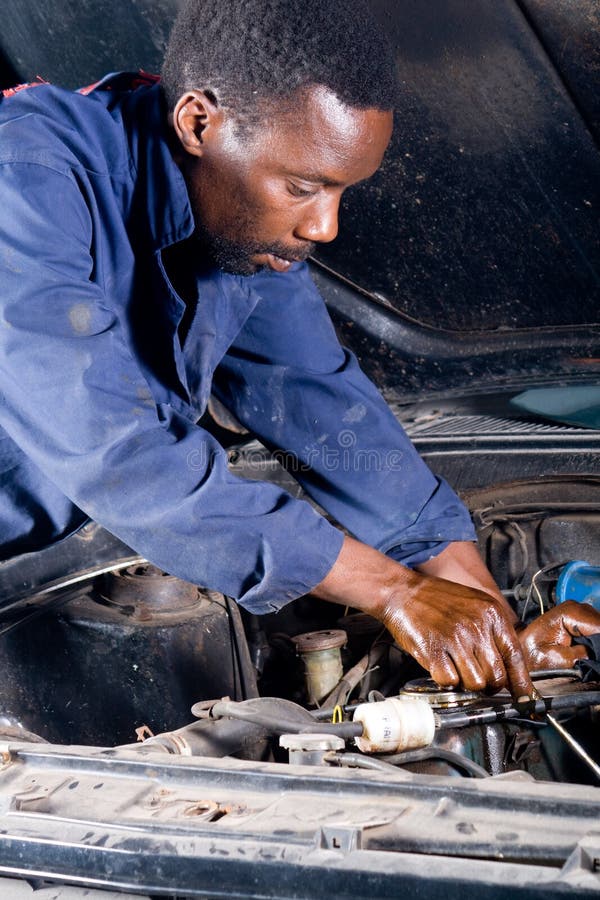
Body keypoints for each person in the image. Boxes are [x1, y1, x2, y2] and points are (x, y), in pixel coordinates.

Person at [0, 0, 597, 702]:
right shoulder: (23, 180)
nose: (325, 226)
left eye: (342, 190)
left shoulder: (244, 223)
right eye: (304, 187)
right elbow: (119, 454)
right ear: (199, 123)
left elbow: (321, 405)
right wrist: (392, 590)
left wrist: (490, 628)